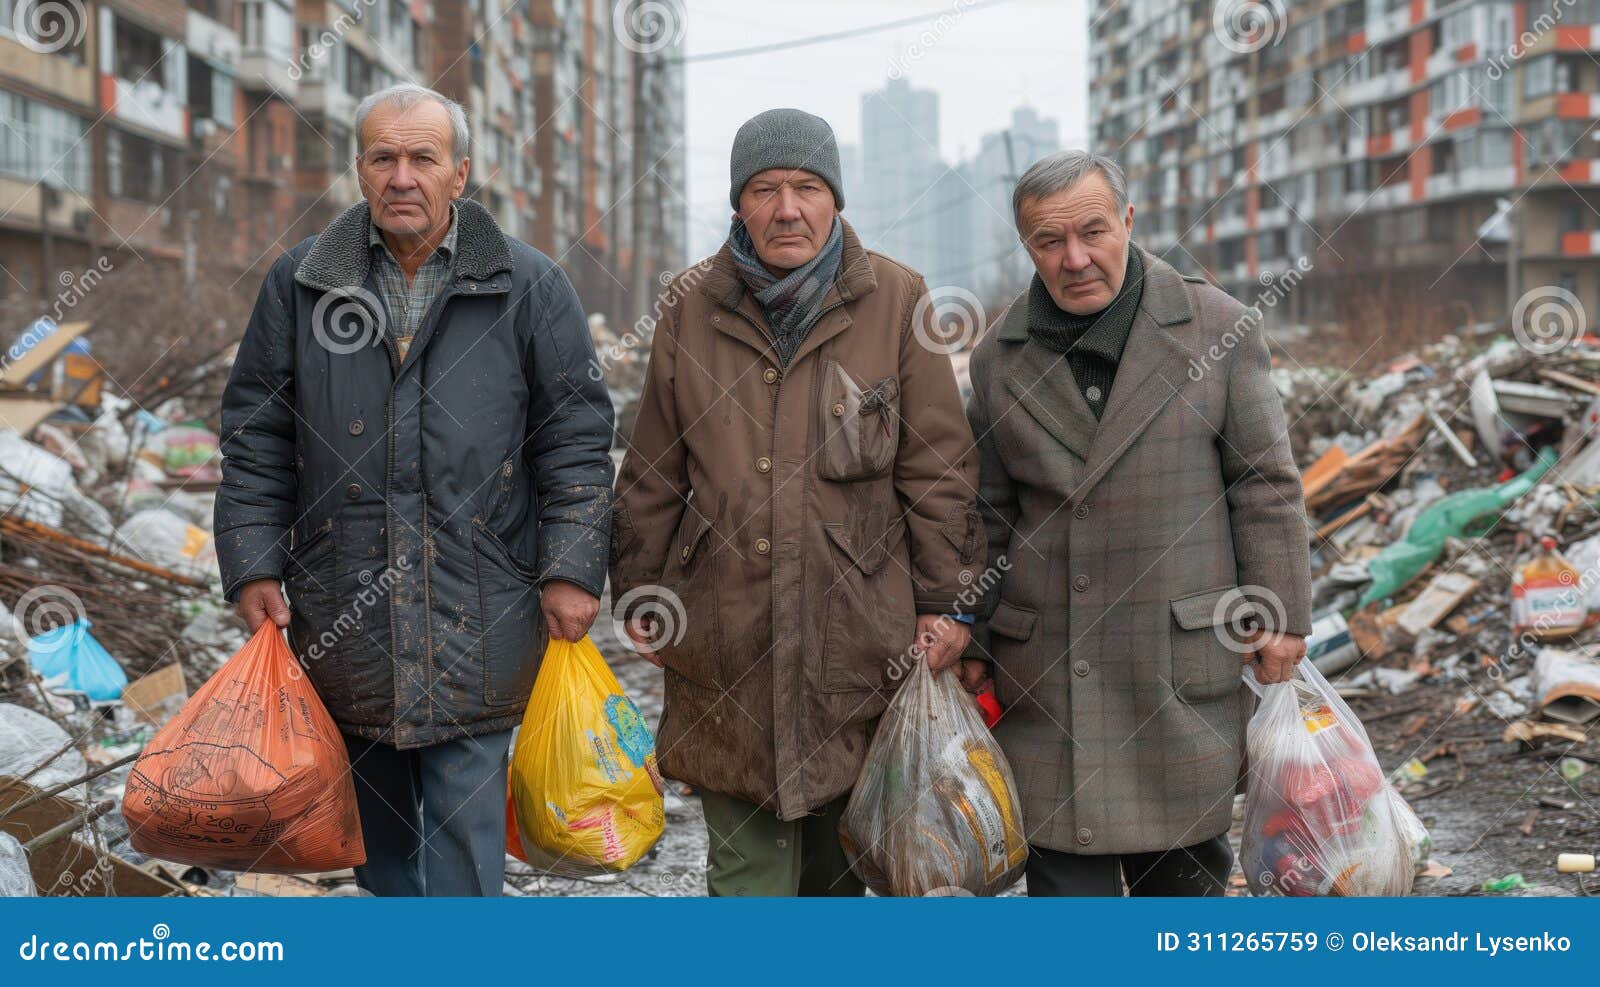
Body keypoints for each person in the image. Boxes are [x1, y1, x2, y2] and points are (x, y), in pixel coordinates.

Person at [215, 83, 614, 896]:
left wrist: (572, 568)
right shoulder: (299, 284)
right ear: (359, 172)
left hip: (482, 608)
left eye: (423, 158)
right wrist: (253, 564)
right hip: (344, 614)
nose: (403, 176)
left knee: (465, 867)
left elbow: (575, 441)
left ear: (460, 174)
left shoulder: (528, 285)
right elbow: (257, 436)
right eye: (383, 157)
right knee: (382, 862)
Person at [609, 107, 983, 896]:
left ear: (835, 198)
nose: (787, 208)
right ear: (739, 203)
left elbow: (939, 470)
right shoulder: (689, 306)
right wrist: (641, 589)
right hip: (727, 640)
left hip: (860, 644)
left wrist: (948, 604)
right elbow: (652, 470)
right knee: (747, 884)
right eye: (766, 188)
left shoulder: (898, 299)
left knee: (842, 877)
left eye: (807, 187)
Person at [960, 150, 1312, 896]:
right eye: (1048, 242)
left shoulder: (1215, 327)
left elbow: (1263, 484)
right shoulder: (998, 355)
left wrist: (1281, 614)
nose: (1075, 258)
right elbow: (987, 515)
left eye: (1093, 231)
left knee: (1179, 913)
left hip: (1176, 666)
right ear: (1027, 246)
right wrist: (976, 633)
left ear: (1128, 219)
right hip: (1051, 676)